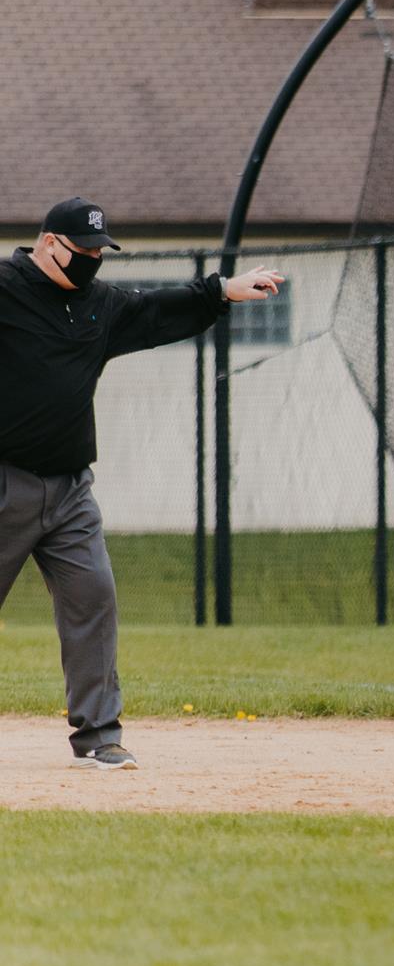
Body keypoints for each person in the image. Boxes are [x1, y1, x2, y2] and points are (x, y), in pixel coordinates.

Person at [0, 198, 285, 769]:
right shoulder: (5, 287)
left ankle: (99, 736)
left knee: (94, 598)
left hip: (70, 490)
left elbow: (156, 311)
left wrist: (223, 291)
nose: (92, 262)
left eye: (99, 253)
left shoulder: (97, 305)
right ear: (49, 243)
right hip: (5, 483)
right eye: (82, 251)